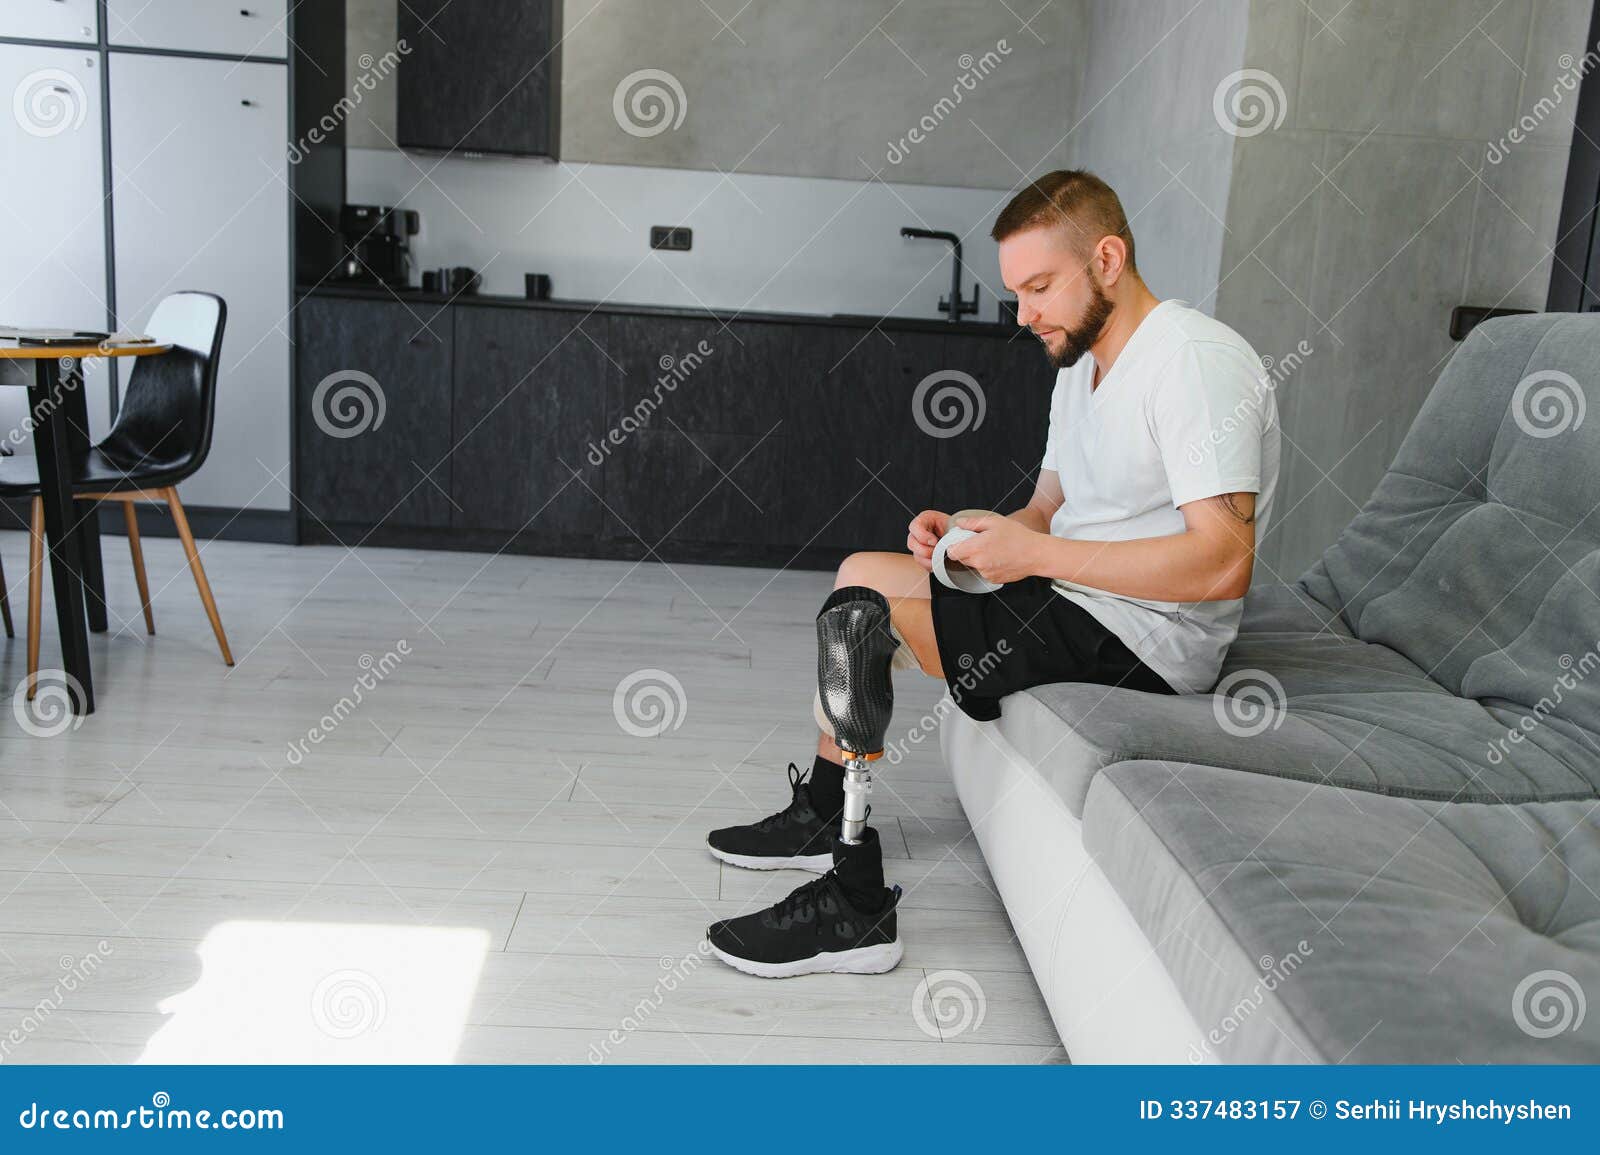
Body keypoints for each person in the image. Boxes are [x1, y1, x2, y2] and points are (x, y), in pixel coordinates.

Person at [704, 169, 1282, 978]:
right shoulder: (1081, 365)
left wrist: (1035, 555)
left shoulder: (1194, 361)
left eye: (1040, 287)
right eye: (1017, 294)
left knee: (864, 605)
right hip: (1081, 598)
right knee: (862, 575)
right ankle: (822, 814)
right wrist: (979, 532)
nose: (1026, 315)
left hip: (1149, 636)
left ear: (1108, 258)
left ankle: (855, 902)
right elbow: (1048, 507)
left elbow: (1222, 561)